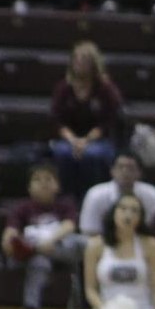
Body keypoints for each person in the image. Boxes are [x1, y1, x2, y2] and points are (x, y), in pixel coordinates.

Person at [3, 162, 85, 309]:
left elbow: (69, 226)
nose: (43, 183)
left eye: (48, 179)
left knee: (83, 242)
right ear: (29, 187)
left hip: (57, 249)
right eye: (37, 180)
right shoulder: (22, 208)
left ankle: (33, 249)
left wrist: (47, 242)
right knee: (40, 262)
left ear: (58, 185)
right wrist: (8, 242)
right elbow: (10, 234)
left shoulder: (65, 204)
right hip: (32, 259)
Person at [49, 41, 126, 195]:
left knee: (93, 155)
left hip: (99, 139)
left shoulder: (105, 89)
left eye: (84, 60)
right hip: (69, 139)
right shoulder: (64, 88)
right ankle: (67, 197)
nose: (80, 63)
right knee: (63, 153)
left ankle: (91, 195)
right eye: (77, 59)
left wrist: (85, 141)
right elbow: (57, 120)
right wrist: (74, 140)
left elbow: (109, 122)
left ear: (93, 63)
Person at [78, 150, 155, 236]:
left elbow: (153, 228)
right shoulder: (95, 194)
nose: (125, 171)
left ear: (139, 173)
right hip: (103, 242)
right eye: (120, 167)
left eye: (131, 168)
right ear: (112, 170)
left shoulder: (152, 194)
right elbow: (88, 230)